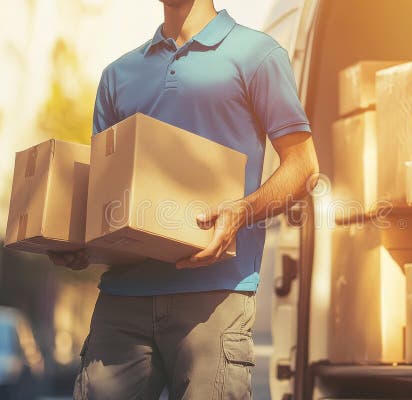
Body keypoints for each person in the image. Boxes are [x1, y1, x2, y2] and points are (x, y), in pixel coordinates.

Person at [48, 0, 318, 398]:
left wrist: (242, 211)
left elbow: (304, 165)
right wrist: (79, 243)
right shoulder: (118, 75)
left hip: (215, 299)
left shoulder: (257, 56)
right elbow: (105, 198)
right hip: (123, 301)